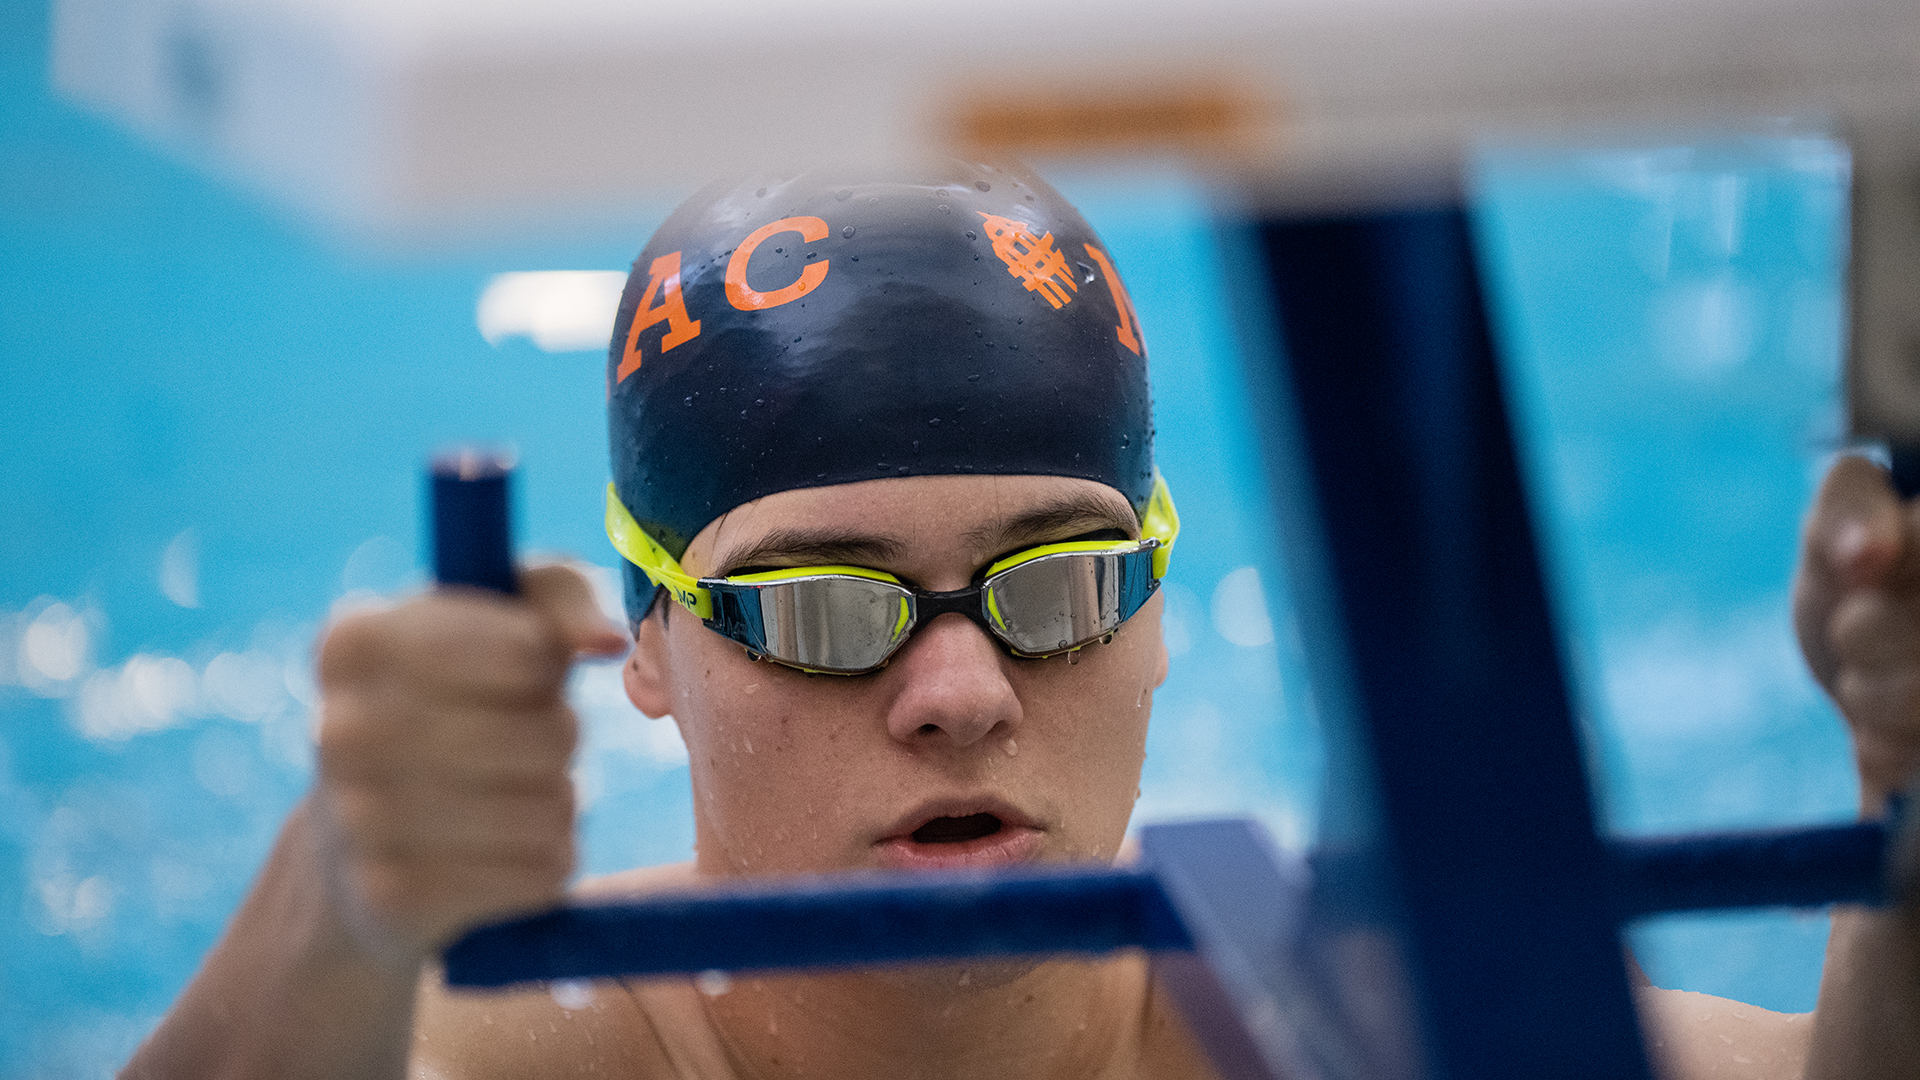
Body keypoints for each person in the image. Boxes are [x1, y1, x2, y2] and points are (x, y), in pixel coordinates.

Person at [120, 161, 1920, 1080]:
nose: (963, 692)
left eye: (1055, 585)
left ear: (1158, 613)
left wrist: (1900, 768)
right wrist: (336, 899)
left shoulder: (1331, 1019)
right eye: (824, 608)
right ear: (649, 647)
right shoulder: (493, 1048)